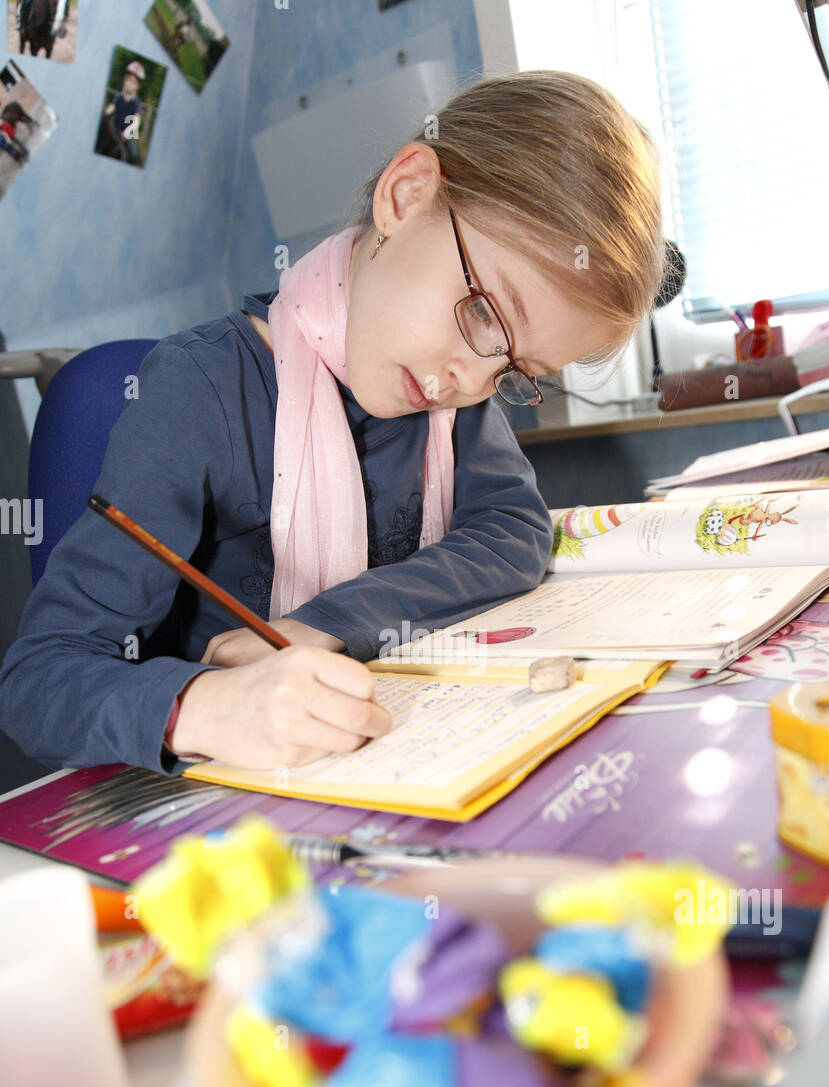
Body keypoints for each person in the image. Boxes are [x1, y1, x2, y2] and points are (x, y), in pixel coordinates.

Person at [0, 71, 665, 778]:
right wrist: (209, 708)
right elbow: (37, 682)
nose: (472, 382)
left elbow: (514, 531)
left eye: (514, 371)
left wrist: (328, 625)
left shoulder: (451, 395)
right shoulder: (199, 391)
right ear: (405, 196)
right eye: (481, 314)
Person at [98, 60, 145, 164]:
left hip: (126, 136)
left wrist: (128, 131)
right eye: (128, 80)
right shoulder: (119, 96)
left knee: (134, 155)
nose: (129, 83)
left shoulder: (137, 103)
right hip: (114, 130)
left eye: (133, 82)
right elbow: (111, 107)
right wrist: (105, 113)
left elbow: (136, 121)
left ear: (138, 86)